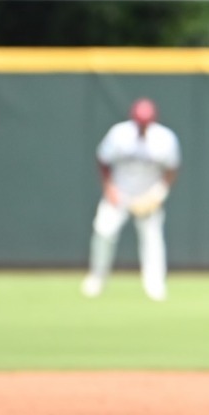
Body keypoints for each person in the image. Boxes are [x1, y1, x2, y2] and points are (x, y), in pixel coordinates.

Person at [81, 97, 181, 301]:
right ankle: (97, 278)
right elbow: (103, 160)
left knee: (152, 239)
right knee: (103, 232)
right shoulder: (119, 134)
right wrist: (109, 188)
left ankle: (155, 285)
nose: (142, 127)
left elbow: (172, 169)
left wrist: (158, 193)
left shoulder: (164, 138)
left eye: (146, 123)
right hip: (121, 192)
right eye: (139, 123)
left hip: (148, 195)